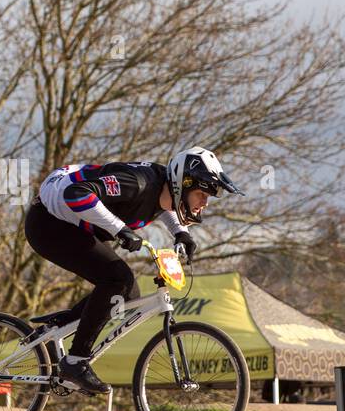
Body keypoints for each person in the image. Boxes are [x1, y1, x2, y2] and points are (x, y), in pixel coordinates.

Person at [25, 147, 241, 395]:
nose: (204, 203)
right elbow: (77, 194)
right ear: (184, 184)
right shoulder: (136, 183)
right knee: (118, 279)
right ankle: (75, 362)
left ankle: (61, 327)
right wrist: (120, 229)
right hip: (48, 223)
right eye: (202, 194)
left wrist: (181, 233)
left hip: (74, 223)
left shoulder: (167, 187)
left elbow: (164, 206)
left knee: (128, 294)